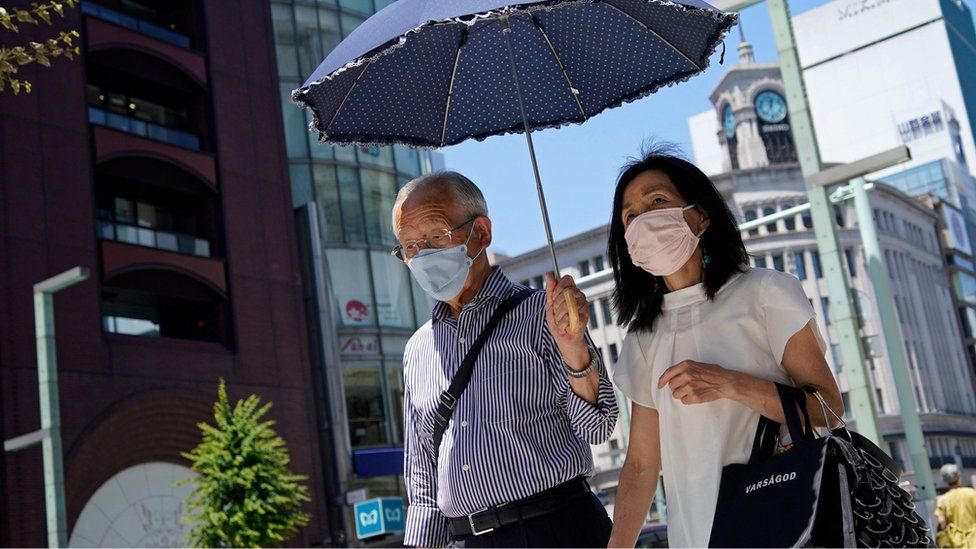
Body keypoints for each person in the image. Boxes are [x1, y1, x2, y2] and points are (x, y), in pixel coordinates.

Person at [604, 147, 844, 548]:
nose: (644, 220)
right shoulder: (643, 336)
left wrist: (730, 384)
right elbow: (642, 466)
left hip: (782, 523)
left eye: (657, 201)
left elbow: (828, 409)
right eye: (631, 216)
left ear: (700, 215)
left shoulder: (765, 292)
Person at [394, 171, 618, 548]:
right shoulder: (417, 351)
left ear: (481, 232)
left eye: (436, 235)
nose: (424, 255)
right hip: (470, 540)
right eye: (410, 246)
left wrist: (574, 348)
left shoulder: (541, 314)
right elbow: (423, 486)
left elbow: (599, 427)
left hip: (557, 528)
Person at [936, 463, 976, 548]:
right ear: (958, 477)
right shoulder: (972, 493)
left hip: (956, 542)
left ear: (945, 480)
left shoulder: (944, 499)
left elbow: (941, 521)